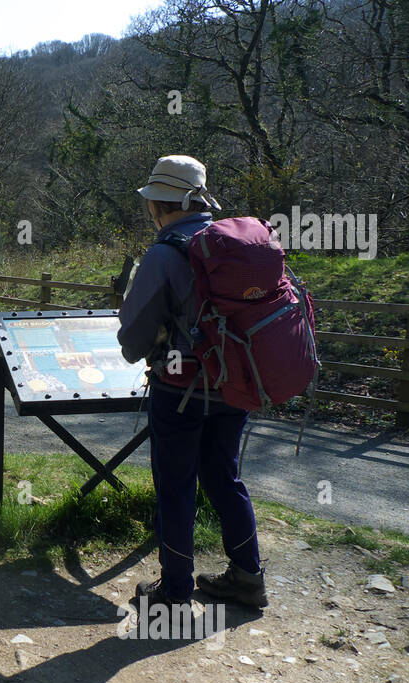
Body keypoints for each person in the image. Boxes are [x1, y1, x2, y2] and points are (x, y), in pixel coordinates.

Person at [116, 155, 268, 612]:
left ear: (160, 204)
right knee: (225, 478)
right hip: (236, 385)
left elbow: (132, 339)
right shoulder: (235, 244)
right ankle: (248, 578)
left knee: (176, 484)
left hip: (180, 391)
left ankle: (175, 593)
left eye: (152, 204)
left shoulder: (165, 254)